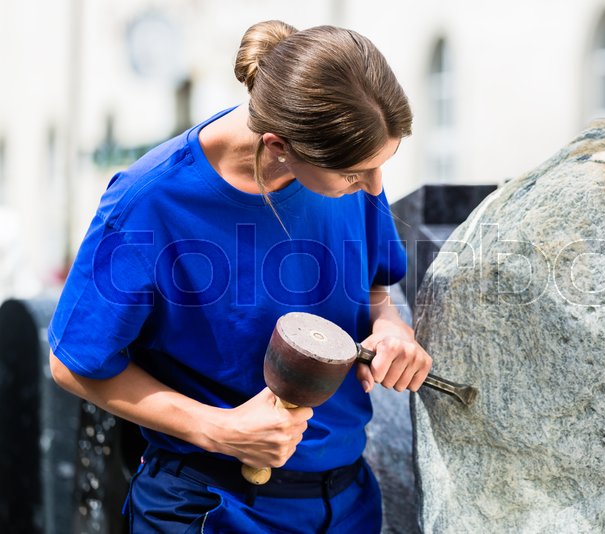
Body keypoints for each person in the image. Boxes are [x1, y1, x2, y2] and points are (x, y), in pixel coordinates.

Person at [47, 20, 431, 533]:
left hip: (349, 503)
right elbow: (72, 364)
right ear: (278, 145)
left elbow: (375, 282)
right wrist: (220, 430)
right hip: (210, 507)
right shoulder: (148, 203)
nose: (374, 187)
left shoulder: (343, 174)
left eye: (383, 164)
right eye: (356, 173)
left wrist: (391, 328)